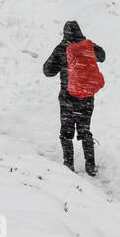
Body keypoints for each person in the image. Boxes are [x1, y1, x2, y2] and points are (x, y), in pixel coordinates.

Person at [42, 20, 106, 175]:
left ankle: (68, 165)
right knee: (85, 131)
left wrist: (62, 50)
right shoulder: (88, 46)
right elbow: (102, 56)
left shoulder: (62, 48)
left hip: (67, 98)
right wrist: (86, 46)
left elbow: (47, 71)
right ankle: (90, 166)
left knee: (66, 133)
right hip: (87, 98)